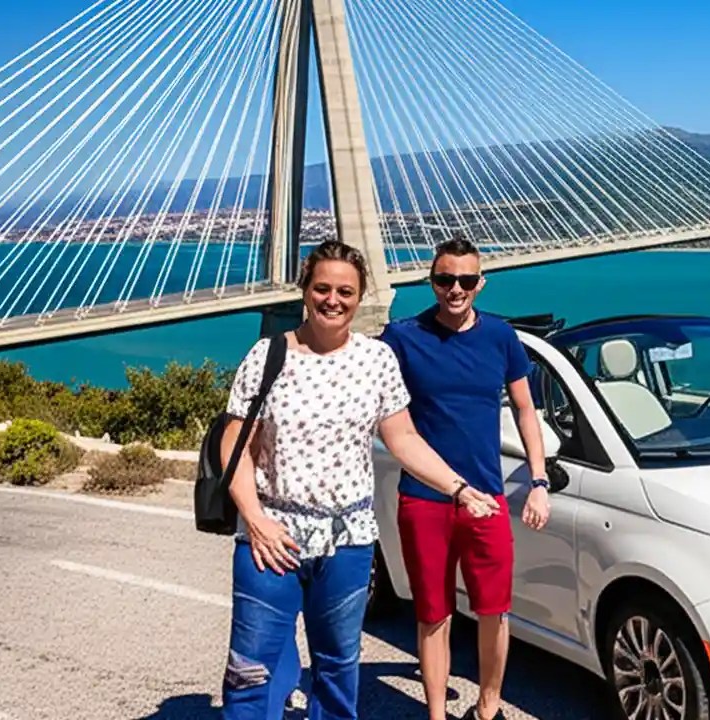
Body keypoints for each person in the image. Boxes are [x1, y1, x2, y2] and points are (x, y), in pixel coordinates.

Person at [219, 240, 501, 720]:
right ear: (305, 291)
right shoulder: (268, 356)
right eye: (323, 288)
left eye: (345, 291)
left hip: (348, 542)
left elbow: (404, 438)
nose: (333, 300)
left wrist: (457, 486)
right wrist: (255, 519)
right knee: (252, 673)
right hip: (272, 535)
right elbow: (234, 446)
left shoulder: (376, 361)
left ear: (360, 295)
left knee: (337, 671)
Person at [379, 237, 551, 720]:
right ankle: (435, 713)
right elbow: (365, 393)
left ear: (481, 283)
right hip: (423, 498)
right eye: (445, 279)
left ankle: (488, 706)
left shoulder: (500, 336)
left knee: (495, 610)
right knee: (433, 614)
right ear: (431, 281)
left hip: (487, 498)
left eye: (466, 280)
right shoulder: (402, 337)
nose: (455, 289)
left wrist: (538, 482)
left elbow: (525, 409)